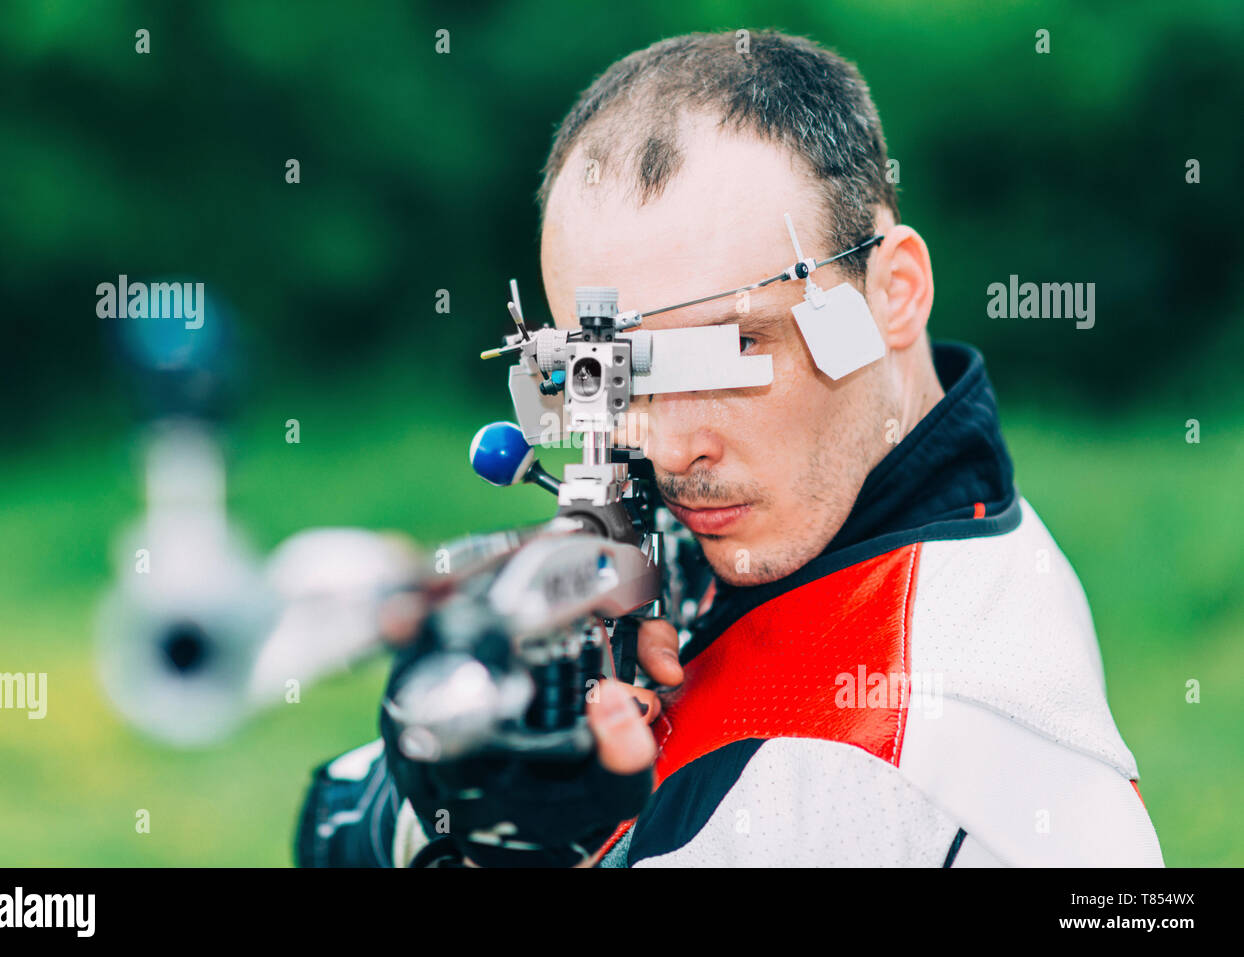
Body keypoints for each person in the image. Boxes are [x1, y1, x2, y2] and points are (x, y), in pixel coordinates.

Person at [295, 29, 1163, 868]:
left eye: (738, 351)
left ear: (893, 291)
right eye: (612, 378)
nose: (670, 449)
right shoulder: (876, 519)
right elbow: (330, 818)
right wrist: (450, 783)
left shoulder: (892, 756)